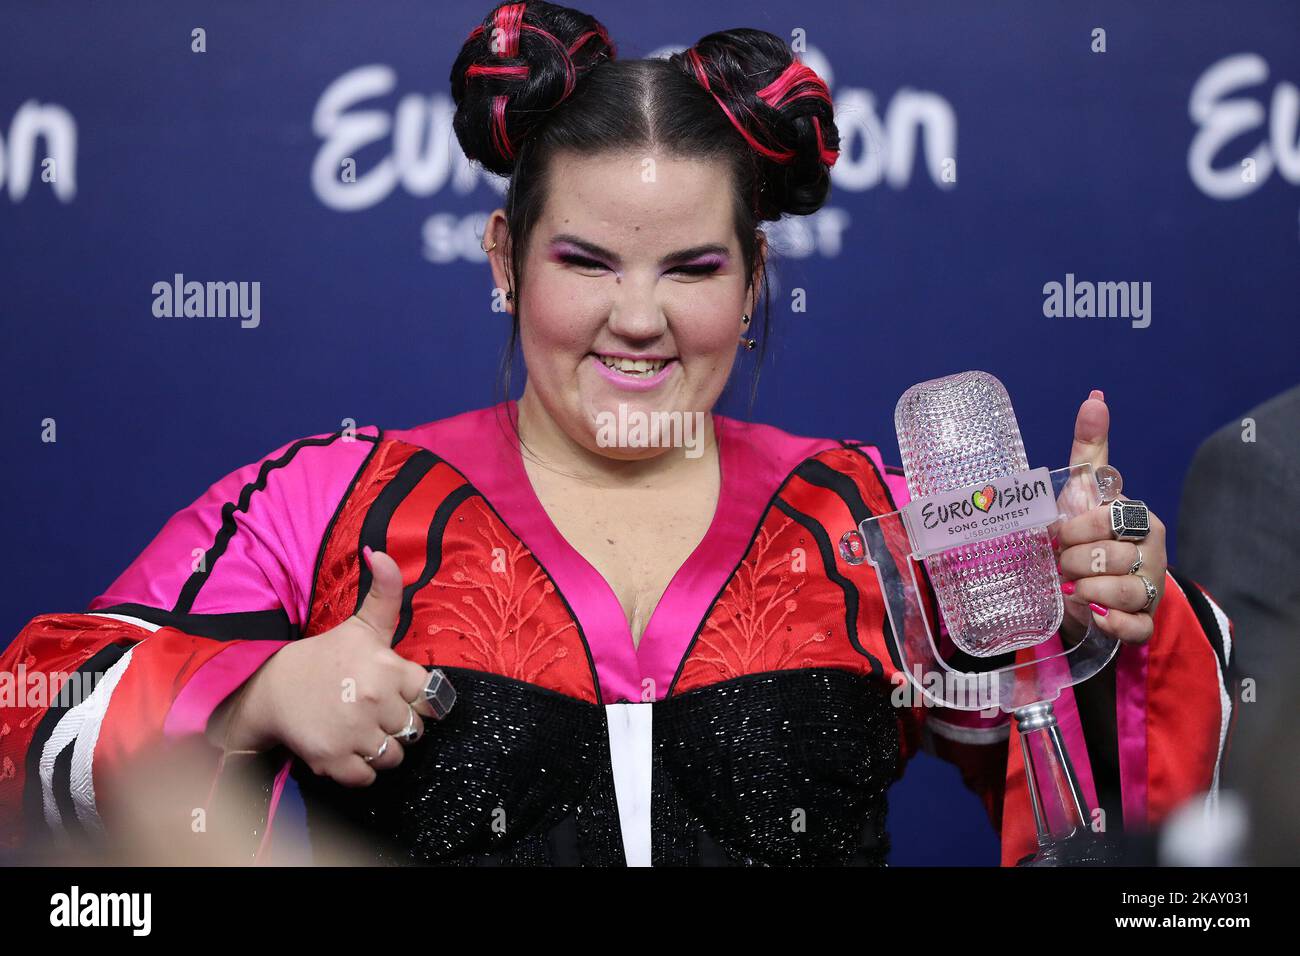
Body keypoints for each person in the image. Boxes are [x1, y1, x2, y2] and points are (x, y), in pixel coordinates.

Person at [0, 0, 1233, 867]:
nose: (635, 320)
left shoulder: (886, 520)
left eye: (694, 267)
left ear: (753, 282)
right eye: (582, 260)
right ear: (504, 259)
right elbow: (30, 706)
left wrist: (1107, 613)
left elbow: (1127, 807)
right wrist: (251, 693)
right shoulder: (332, 499)